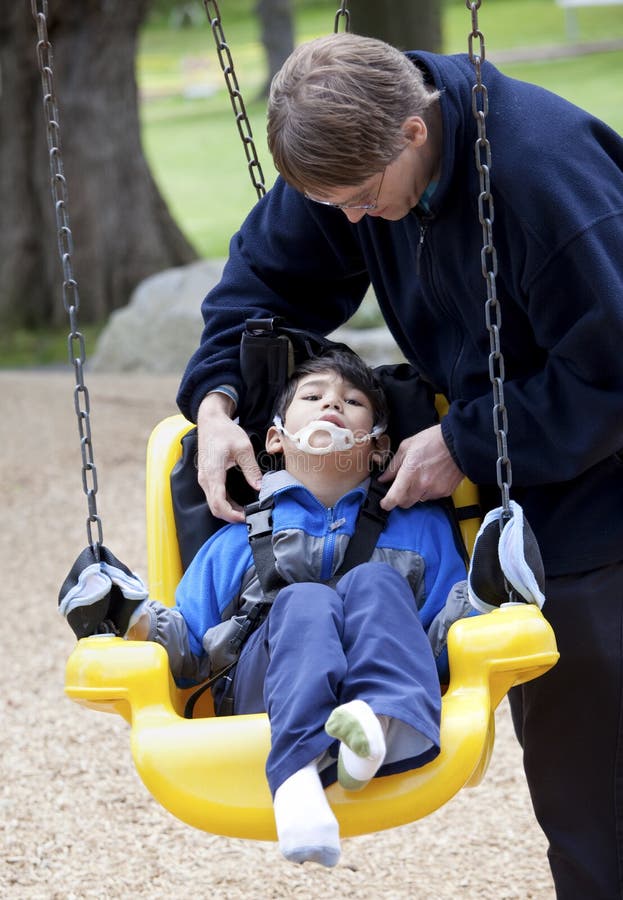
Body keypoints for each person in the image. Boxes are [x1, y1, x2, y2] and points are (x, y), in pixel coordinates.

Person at [174, 33, 623, 896]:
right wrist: (219, 399)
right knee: (571, 786)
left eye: (357, 199)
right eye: (328, 203)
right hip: (517, 462)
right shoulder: (353, 154)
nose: (347, 220)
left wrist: (463, 441)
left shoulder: (544, 179)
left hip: (601, 479)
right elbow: (264, 281)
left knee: (595, 773)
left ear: (414, 132)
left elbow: (609, 371)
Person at [129, 348, 470, 867]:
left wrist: (485, 596)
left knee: (376, 582)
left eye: (352, 401)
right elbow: (189, 646)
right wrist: (131, 615)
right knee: (304, 599)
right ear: (274, 438)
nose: (332, 404)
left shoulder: (419, 529)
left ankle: (377, 723)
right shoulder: (236, 539)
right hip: (263, 695)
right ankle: (295, 777)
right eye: (313, 397)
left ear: (378, 446)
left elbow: (445, 642)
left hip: (388, 689)